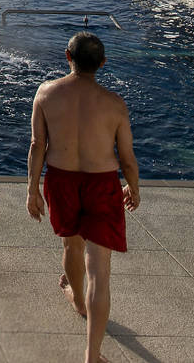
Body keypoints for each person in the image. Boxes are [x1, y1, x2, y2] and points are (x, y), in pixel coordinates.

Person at [26, 32, 140, 363]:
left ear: (67, 57)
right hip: (102, 184)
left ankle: (77, 298)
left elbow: (37, 146)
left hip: (61, 180)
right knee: (99, 270)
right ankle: (92, 355)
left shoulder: (46, 94)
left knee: (70, 246)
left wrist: (32, 189)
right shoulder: (114, 104)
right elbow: (128, 158)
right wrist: (133, 187)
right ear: (102, 64)